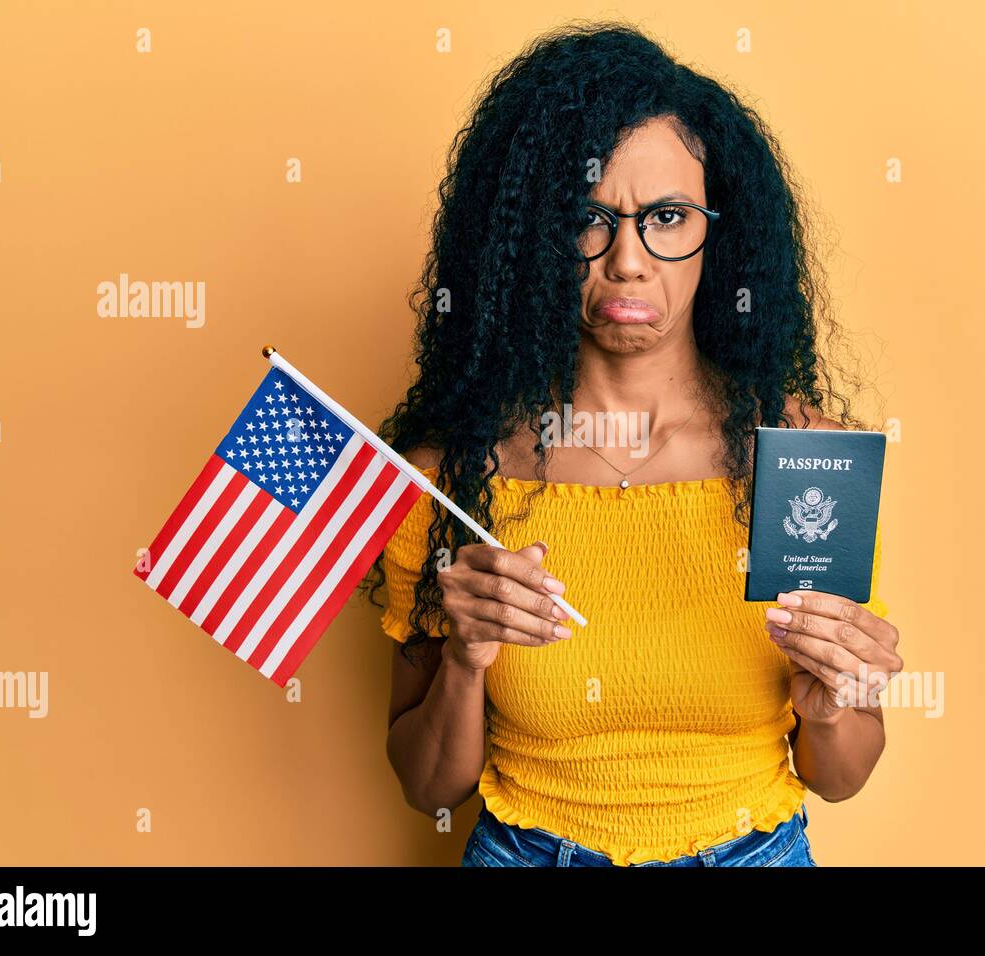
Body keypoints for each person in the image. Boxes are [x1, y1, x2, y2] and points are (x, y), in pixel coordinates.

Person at [365, 21, 903, 867]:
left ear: (718, 236)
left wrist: (833, 703)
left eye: (667, 217)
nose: (628, 260)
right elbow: (428, 788)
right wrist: (465, 662)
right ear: (531, 239)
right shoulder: (451, 475)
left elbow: (839, 776)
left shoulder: (803, 459)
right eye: (587, 218)